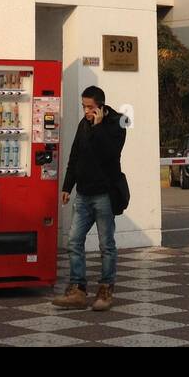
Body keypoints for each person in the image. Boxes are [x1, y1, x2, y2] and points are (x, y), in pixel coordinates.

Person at [52, 85, 127, 312]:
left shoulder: (118, 123)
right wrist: (67, 186)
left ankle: (105, 289)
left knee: (106, 244)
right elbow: (75, 156)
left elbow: (111, 154)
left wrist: (99, 127)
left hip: (104, 194)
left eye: (90, 107)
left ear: (101, 107)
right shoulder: (83, 124)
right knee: (74, 240)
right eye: (84, 106)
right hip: (83, 194)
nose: (86, 111)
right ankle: (78, 289)